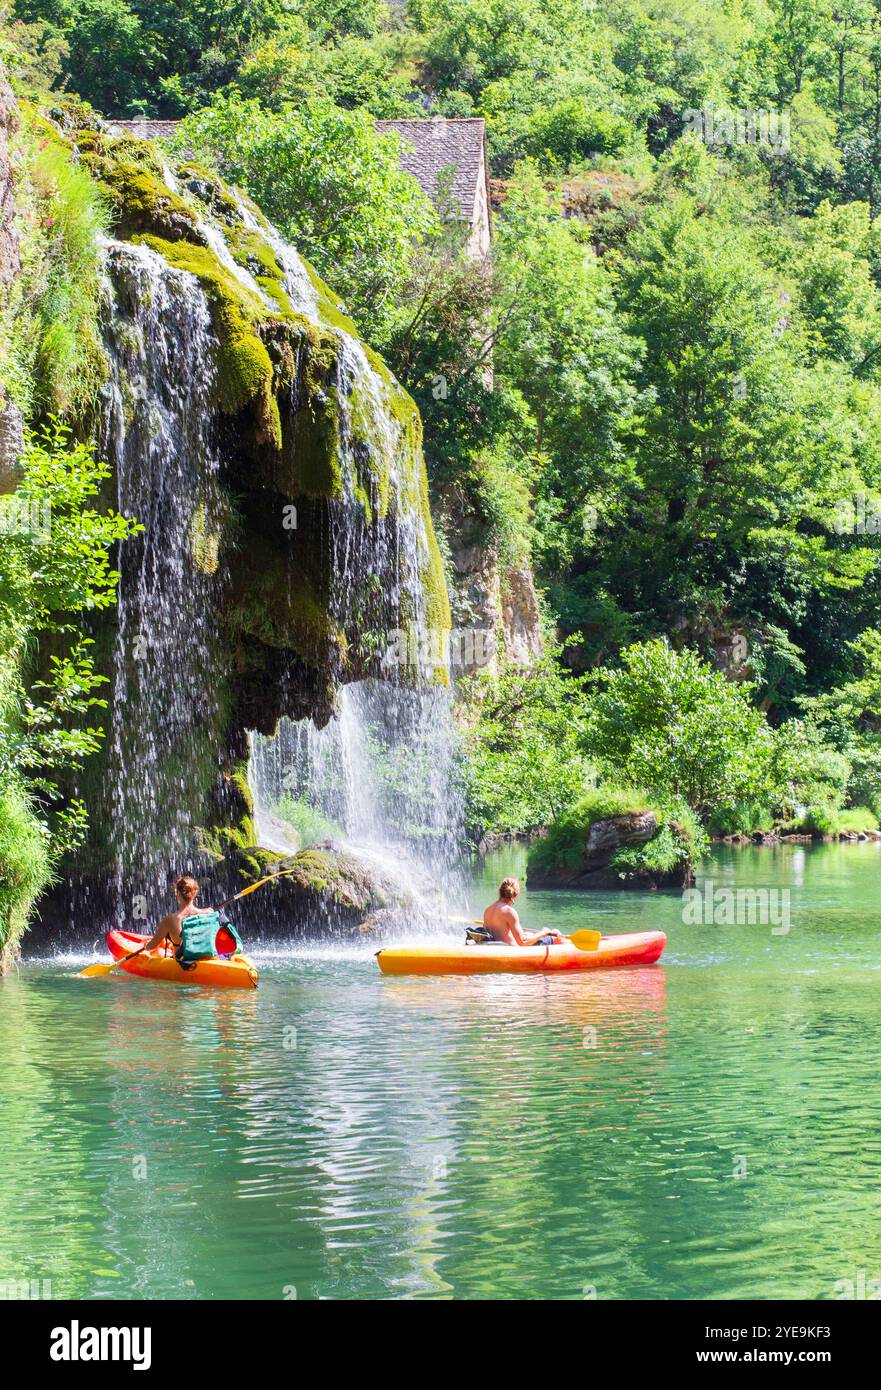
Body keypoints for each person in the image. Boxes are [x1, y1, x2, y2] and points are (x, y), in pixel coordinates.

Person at [140, 875, 233, 964]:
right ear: (195, 894)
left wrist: (146, 945)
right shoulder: (208, 913)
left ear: (178, 894)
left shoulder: (170, 920)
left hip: (184, 963)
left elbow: (152, 945)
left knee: (159, 952)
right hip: (209, 959)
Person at [483, 877, 566, 946]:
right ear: (515, 895)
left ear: (500, 892)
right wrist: (544, 932)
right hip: (513, 951)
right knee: (558, 938)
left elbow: (501, 934)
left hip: (498, 948)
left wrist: (527, 934)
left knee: (529, 934)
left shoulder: (488, 910)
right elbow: (523, 942)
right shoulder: (509, 911)